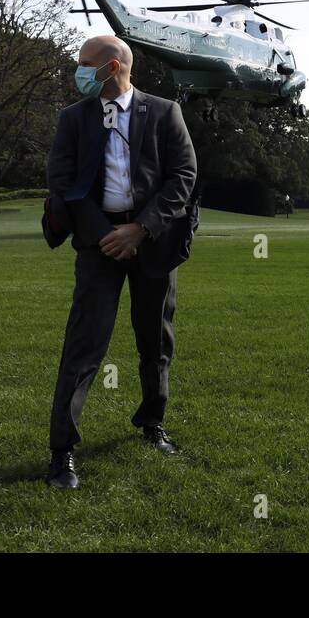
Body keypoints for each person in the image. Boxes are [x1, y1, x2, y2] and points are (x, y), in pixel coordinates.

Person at [43, 35, 198, 489]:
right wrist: (106, 234)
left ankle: (153, 423)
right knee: (83, 346)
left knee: (156, 342)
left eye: (84, 64)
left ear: (112, 68)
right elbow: (62, 179)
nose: (77, 72)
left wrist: (142, 228)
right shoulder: (73, 118)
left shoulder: (165, 112)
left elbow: (183, 177)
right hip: (99, 244)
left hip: (153, 242)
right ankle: (62, 451)